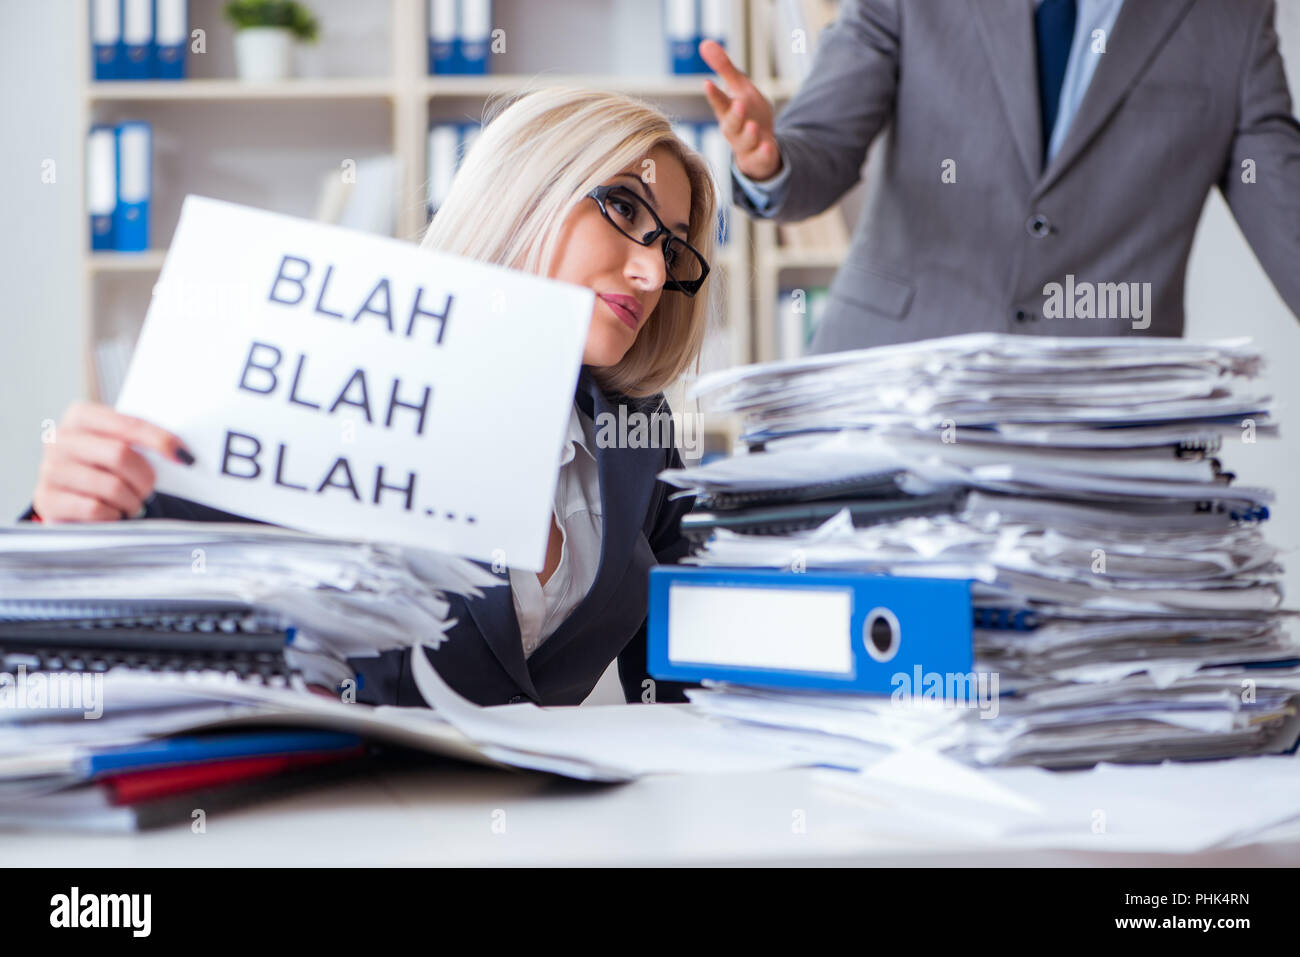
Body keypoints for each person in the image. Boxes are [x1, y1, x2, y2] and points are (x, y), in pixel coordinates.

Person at [18, 87, 717, 708]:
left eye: (673, 247)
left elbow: (698, 678)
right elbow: (82, 613)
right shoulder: (332, 371)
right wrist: (60, 520)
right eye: (624, 206)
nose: (652, 270)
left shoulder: (637, 433)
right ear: (524, 191)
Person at [702, 0, 1300, 352]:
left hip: (1098, 428)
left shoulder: (1232, 19)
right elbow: (823, 146)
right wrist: (770, 160)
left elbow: (1284, 212)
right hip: (892, 384)